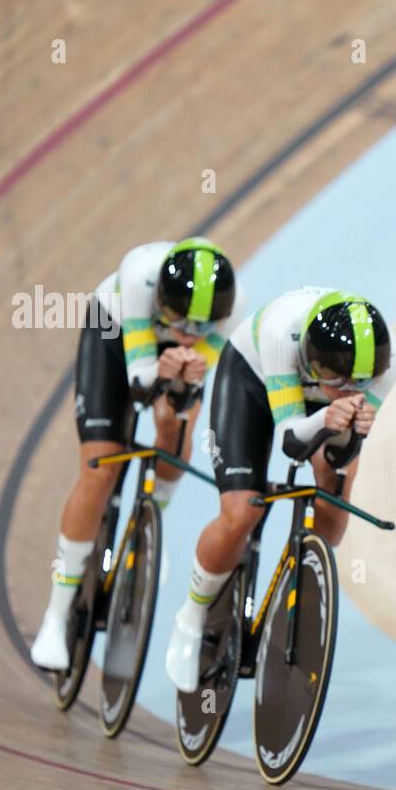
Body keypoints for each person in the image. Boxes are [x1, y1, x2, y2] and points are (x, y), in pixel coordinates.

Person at [164, 287, 396, 692]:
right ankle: (191, 615)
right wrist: (328, 415)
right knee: (242, 511)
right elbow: (291, 440)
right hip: (253, 381)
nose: (345, 387)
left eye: (356, 382)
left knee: (334, 507)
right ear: (310, 358)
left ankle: (296, 598)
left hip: (318, 408)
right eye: (332, 376)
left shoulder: (387, 366)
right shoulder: (280, 333)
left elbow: (340, 457)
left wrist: (345, 430)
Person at [31, 238, 245, 672]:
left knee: (175, 421)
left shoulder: (231, 308)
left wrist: (181, 387)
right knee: (100, 466)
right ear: (159, 301)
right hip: (115, 337)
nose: (187, 333)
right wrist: (159, 373)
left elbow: (181, 394)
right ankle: (55, 614)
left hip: (163, 358)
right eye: (177, 319)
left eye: (200, 327)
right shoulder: (136, 278)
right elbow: (138, 381)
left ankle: (153, 520)